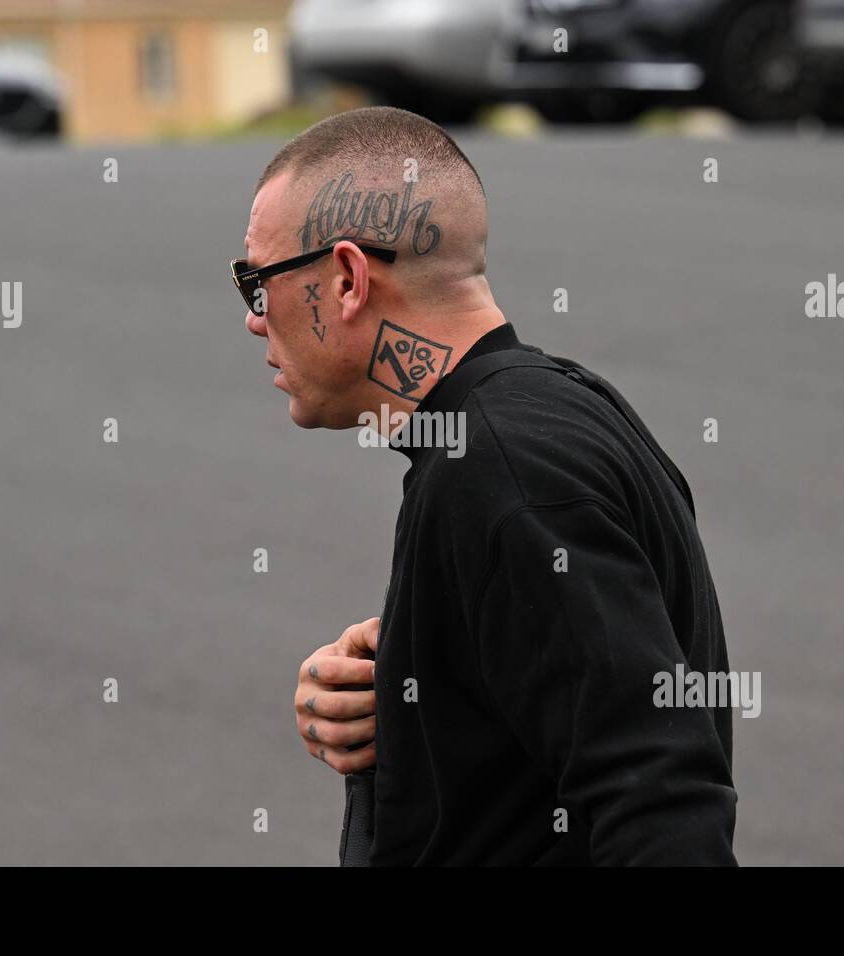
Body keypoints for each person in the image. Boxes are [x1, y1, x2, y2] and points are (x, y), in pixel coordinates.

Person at [235, 106, 738, 865]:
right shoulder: (552, 414)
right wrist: (403, 675)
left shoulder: (502, 471)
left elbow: (664, 807)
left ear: (346, 279)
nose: (253, 319)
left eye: (257, 280)